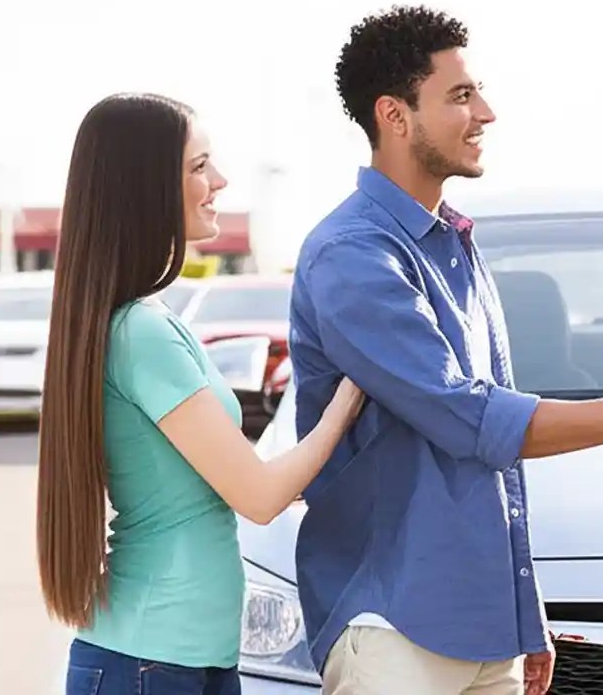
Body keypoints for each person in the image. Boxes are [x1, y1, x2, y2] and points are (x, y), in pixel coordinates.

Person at [287, 5, 603, 695]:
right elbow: (473, 421)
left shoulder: (454, 244)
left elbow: (491, 471)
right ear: (395, 115)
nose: (487, 113)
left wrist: (522, 614)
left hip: (484, 632)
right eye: (462, 96)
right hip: (394, 633)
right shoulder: (354, 256)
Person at [36, 93, 366, 695]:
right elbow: (258, 495)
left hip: (179, 656)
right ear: (146, 186)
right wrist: (348, 401)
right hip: (150, 661)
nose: (220, 180)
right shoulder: (141, 332)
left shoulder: (148, 318)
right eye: (198, 166)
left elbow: (223, 486)